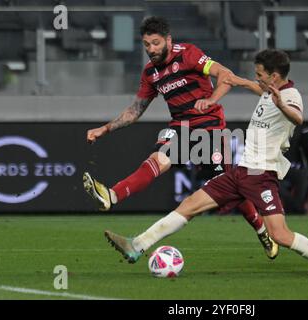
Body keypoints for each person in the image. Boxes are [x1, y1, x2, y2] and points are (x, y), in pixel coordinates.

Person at [103, 49, 308, 277]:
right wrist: (240, 82)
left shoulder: (289, 95)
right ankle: (137, 245)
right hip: (240, 172)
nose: (257, 78)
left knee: (281, 234)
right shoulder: (271, 90)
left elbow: (298, 118)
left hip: (260, 175)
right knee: (189, 205)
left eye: (259, 74)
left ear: (275, 76)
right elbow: (261, 90)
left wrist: (282, 106)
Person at [82, 16, 277, 259]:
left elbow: (224, 74)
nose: (151, 49)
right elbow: (136, 109)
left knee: (229, 188)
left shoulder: (188, 54)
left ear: (168, 40)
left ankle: (261, 229)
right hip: (180, 128)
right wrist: (106, 128)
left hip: (210, 128)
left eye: (155, 43)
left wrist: (212, 100)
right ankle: (112, 195)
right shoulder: (150, 73)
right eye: (146, 44)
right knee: (158, 159)